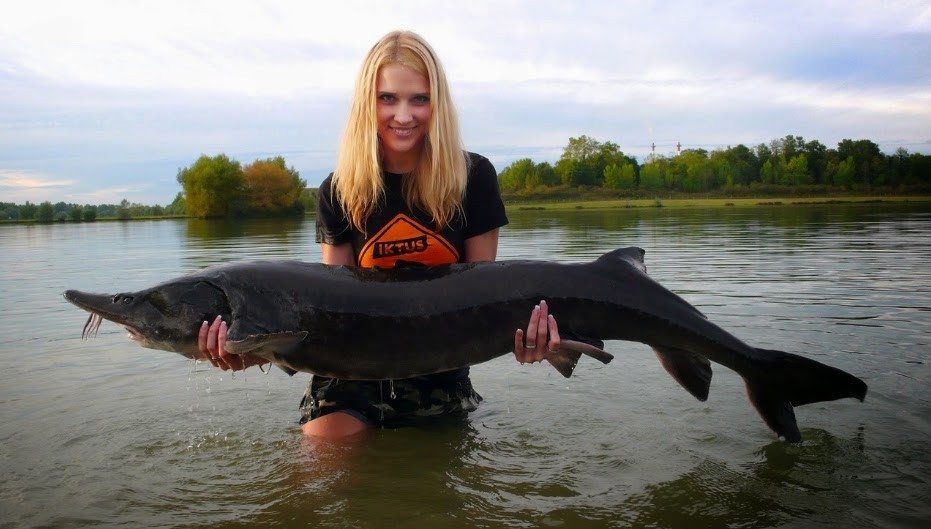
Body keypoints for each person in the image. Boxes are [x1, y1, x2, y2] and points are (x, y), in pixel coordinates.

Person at [198, 30, 560, 440]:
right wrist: (247, 352)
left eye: (418, 99)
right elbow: (327, 319)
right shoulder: (338, 191)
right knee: (320, 467)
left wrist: (524, 339)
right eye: (387, 98)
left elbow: (484, 301)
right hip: (348, 378)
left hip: (440, 373)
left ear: (436, 103)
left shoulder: (473, 178)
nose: (403, 115)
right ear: (366, 104)